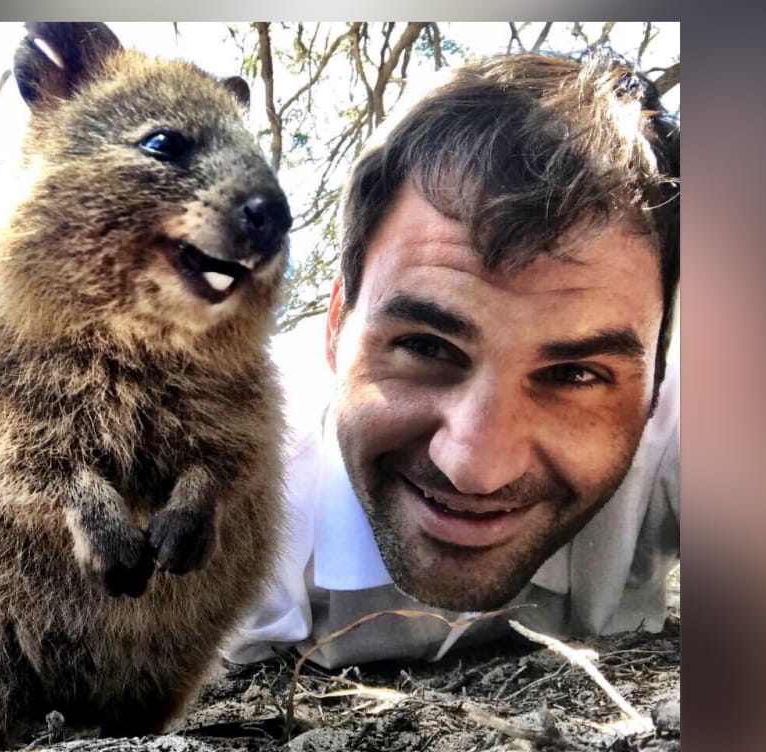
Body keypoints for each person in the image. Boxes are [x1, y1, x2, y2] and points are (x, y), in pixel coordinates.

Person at [225, 51, 680, 669]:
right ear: (336, 327)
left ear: (659, 374)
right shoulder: (228, 494)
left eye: (575, 374)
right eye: (427, 347)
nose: (475, 468)